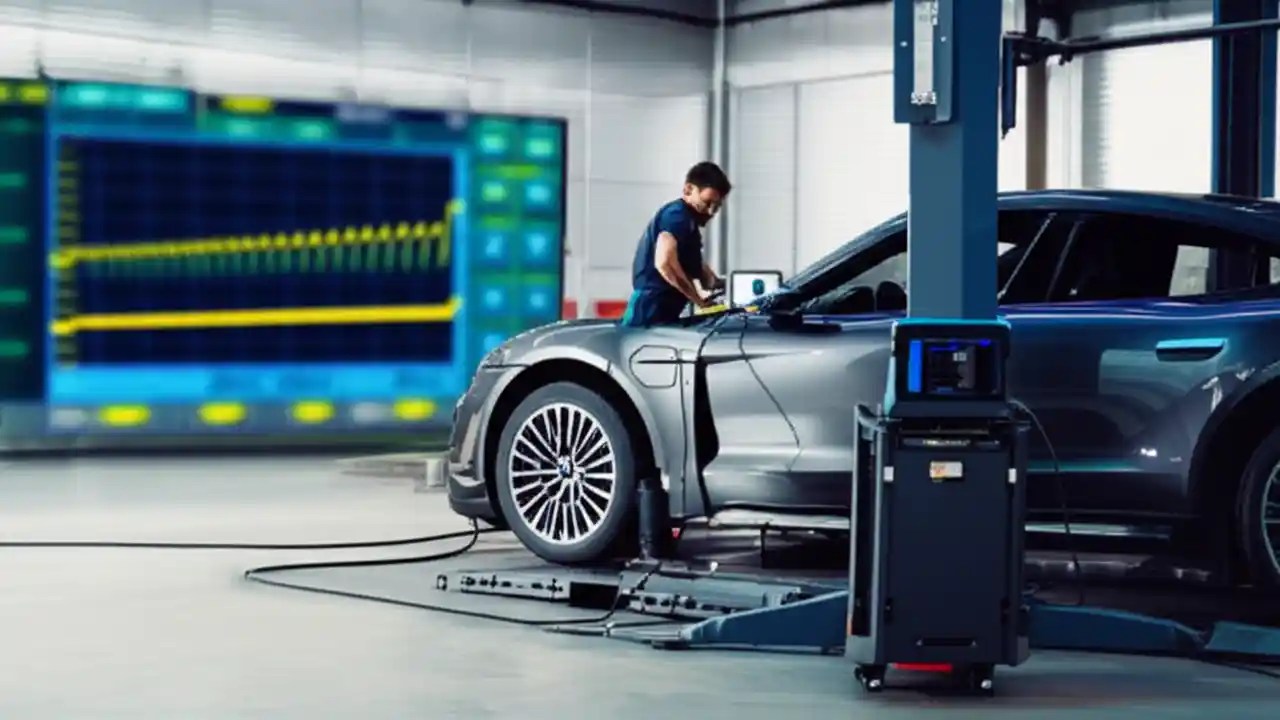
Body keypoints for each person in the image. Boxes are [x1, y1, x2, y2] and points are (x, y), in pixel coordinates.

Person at [620, 161, 731, 328]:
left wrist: (727, 284)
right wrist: (698, 300)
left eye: (716, 206)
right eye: (707, 202)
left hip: (664, 309)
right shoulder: (677, 215)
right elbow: (665, 263)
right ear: (688, 190)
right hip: (651, 307)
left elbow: (700, 270)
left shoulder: (689, 226)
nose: (711, 212)